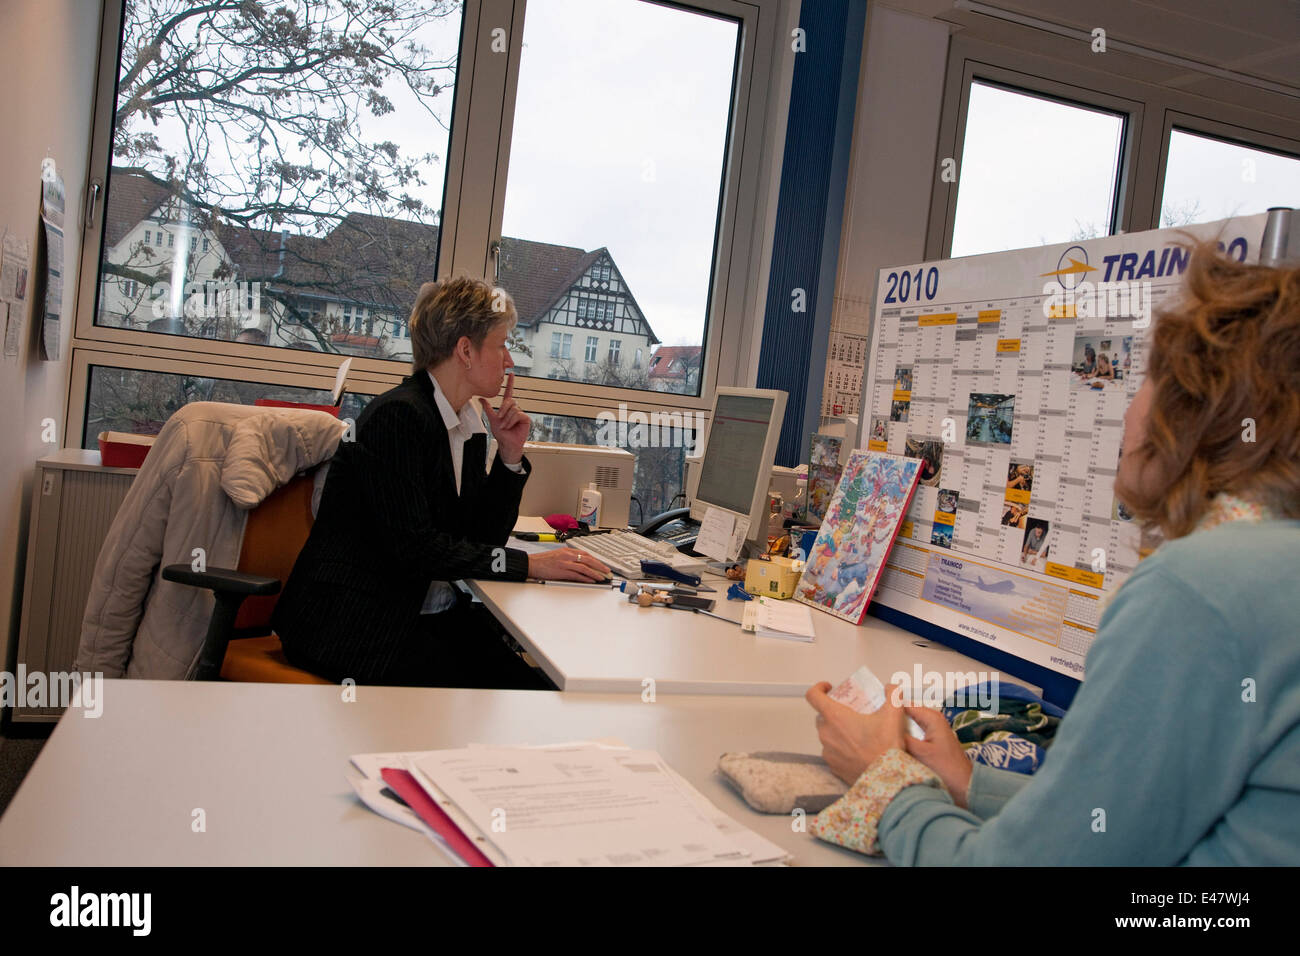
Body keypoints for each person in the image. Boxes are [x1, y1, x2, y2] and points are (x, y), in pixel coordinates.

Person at [805, 242, 1300, 863]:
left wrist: (885, 779)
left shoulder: (1199, 590)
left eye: (1146, 378)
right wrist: (968, 783)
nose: (1126, 411)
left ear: (1198, 409)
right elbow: (1121, 828)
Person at [273, 276, 610, 688]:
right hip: (360, 628)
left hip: (422, 616)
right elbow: (415, 549)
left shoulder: (464, 421)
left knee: (541, 688)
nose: (510, 361)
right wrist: (531, 565)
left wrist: (509, 457)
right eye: (502, 345)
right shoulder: (397, 418)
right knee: (520, 698)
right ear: (465, 350)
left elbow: (480, 537)